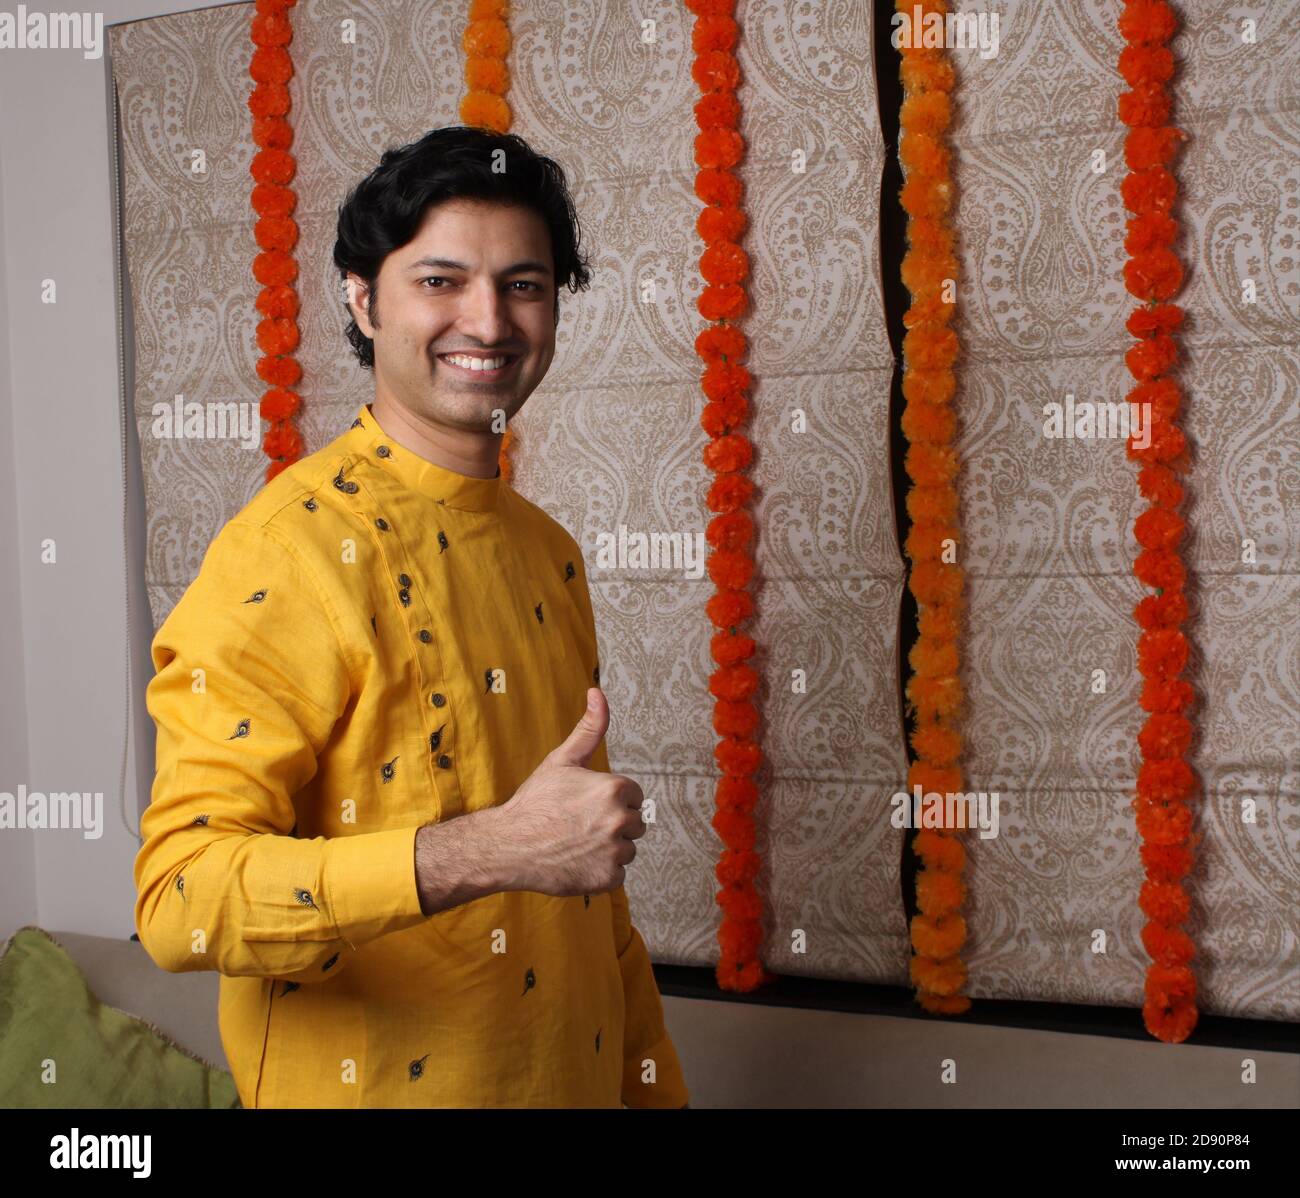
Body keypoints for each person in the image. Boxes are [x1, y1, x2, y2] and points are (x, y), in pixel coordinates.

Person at [134, 126, 690, 1109]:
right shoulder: (290, 551)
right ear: (361, 297)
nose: (488, 320)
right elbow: (181, 897)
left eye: (523, 284)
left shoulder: (544, 551)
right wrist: (491, 851)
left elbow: (591, 906)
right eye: (440, 280)